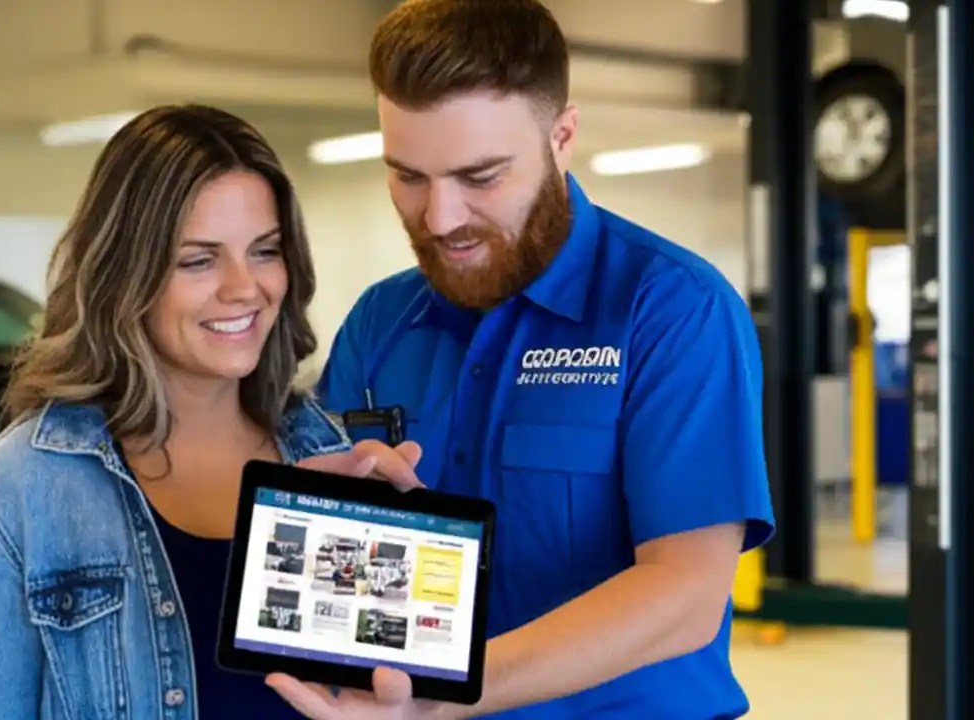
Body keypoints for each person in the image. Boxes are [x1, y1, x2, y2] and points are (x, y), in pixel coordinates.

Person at [266, 1, 777, 718]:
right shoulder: (383, 323)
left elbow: (685, 595)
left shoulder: (671, 312)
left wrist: (449, 694)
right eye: (408, 177)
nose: (439, 219)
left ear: (562, 136)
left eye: (480, 177)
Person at [0, 104, 421, 720]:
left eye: (265, 251)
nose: (246, 288)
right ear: (124, 276)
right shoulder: (15, 495)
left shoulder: (336, 462)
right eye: (199, 260)